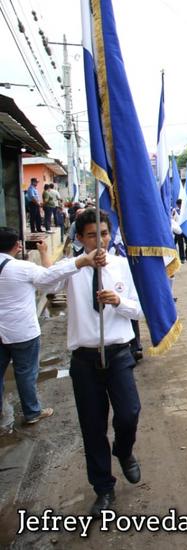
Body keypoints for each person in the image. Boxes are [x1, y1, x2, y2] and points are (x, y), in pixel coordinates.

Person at [48, 209, 144, 517]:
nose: (100, 241)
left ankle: (124, 450)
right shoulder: (71, 269)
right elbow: (45, 285)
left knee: (129, 413)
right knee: (92, 427)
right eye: (91, 235)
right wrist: (79, 262)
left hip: (117, 353)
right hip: (85, 360)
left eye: (104, 233)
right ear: (79, 238)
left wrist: (120, 303)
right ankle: (103, 488)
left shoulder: (122, 266)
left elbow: (141, 311)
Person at [0, 228, 86, 428]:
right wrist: (45, 253)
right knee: (26, 373)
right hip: (22, 332)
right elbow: (52, 280)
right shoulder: (23, 268)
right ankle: (32, 412)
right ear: (17, 246)